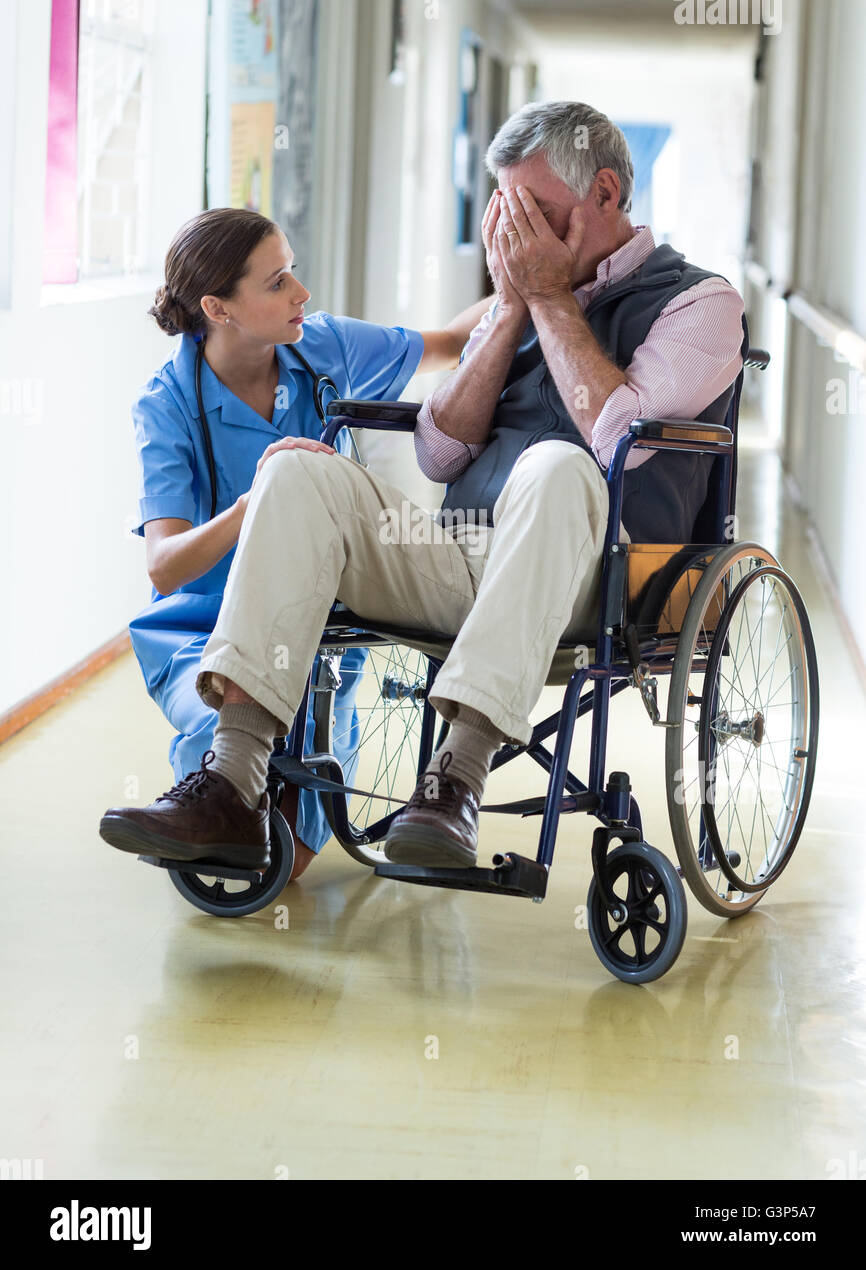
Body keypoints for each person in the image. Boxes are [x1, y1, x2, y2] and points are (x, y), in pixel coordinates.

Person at [100, 101, 747, 873]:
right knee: (296, 468)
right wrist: (511, 310)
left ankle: (453, 783)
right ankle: (232, 787)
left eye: (536, 214)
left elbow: (617, 439)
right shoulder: (515, 299)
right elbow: (439, 453)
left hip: (596, 579)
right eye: (506, 214)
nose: (519, 239)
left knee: (559, 461)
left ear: (605, 193)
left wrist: (549, 301)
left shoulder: (701, 303)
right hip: (459, 558)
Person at [116, 207, 490, 877]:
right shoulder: (168, 404)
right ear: (218, 308)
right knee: (227, 824)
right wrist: (256, 504)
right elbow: (166, 567)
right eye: (278, 281)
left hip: (321, 634)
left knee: (284, 862)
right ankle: (218, 782)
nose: (302, 292)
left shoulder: (324, 348)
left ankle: (260, 795)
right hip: (204, 632)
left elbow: (456, 341)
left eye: (293, 271)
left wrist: (528, 284)